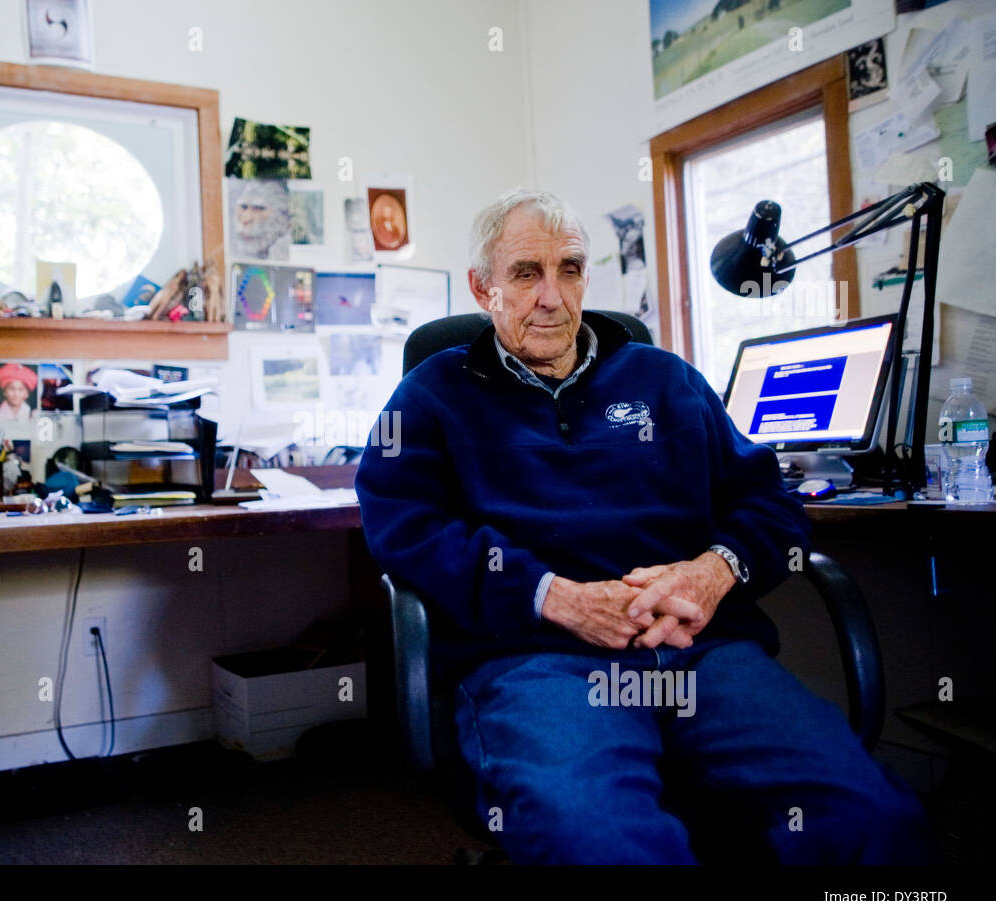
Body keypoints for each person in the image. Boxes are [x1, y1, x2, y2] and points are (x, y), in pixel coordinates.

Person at [355, 188, 931, 864]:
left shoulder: (667, 381)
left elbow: (770, 501)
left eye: (569, 269)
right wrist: (552, 595)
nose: (551, 295)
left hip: (703, 654)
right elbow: (402, 524)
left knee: (876, 817)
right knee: (604, 842)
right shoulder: (431, 394)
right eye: (525, 272)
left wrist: (714, 571)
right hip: (539, 661)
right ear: (484, 287)